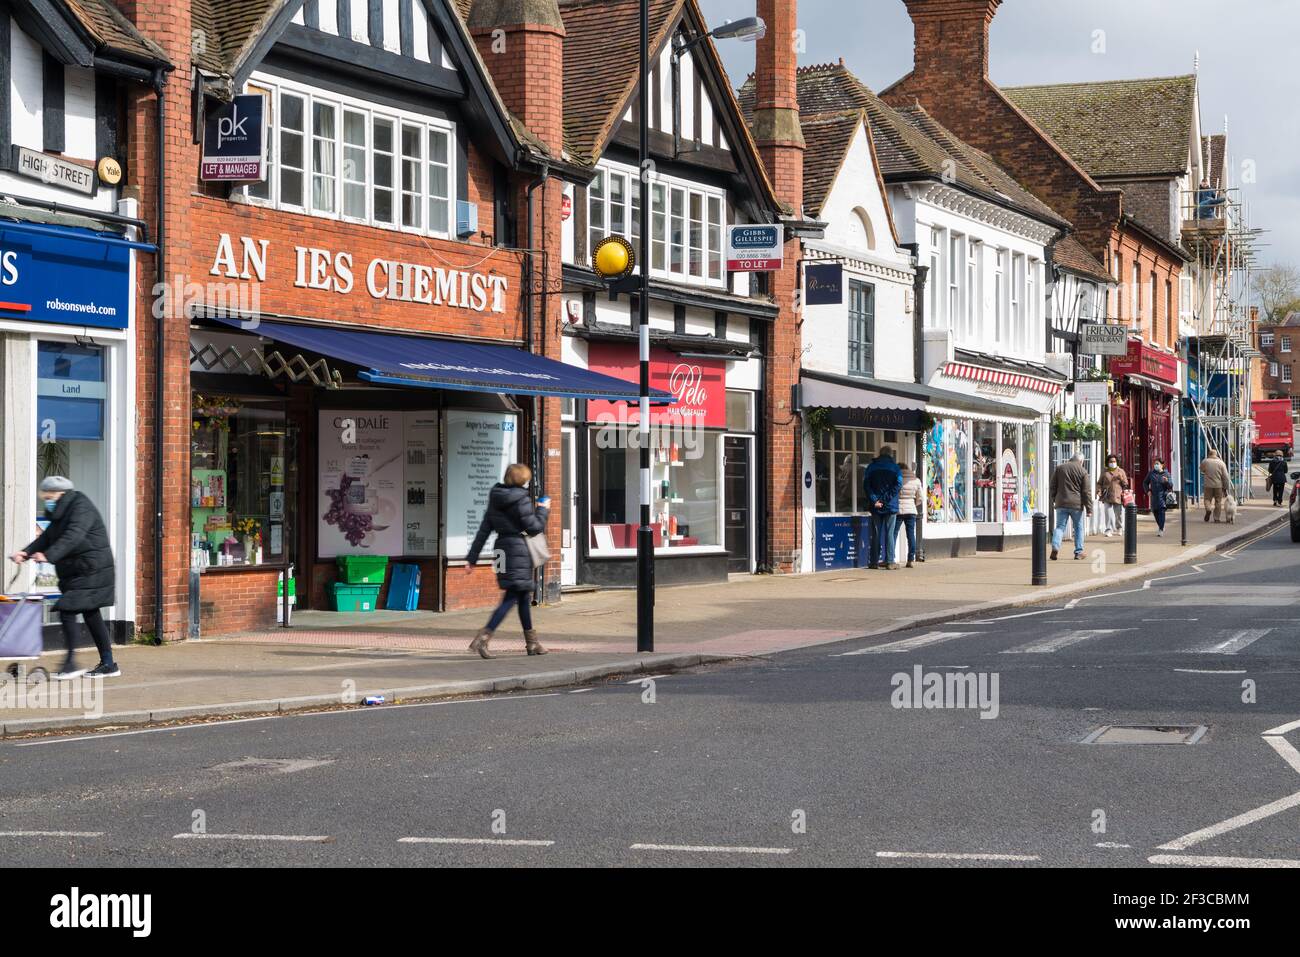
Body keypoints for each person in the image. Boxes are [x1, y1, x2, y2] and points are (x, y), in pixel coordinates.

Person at [9, 477, 118, 679]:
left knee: (67, 610)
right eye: (44, 496)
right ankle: (109, 663)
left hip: (92, 569)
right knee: (91, 613)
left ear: (61, 493)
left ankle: (71, 665)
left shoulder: (80, 507)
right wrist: (25, 553)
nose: (46, 500)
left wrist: (49, 555)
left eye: (48, 496)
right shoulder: (62, 511)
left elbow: (73, 536)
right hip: (81, 570)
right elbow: (47, 537)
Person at [464, 463, 550, 658]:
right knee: (512, 596)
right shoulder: (521, 499)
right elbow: (534, 527)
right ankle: (483, 638)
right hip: (518, 550)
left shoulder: (495, 498)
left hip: (502, 549)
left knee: (522, 597)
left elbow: (484, 530)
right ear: (522, 480)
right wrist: (543, 509)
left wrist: (472, 558)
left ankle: (532, 644)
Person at [863, 446, 902, 570]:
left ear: (880, 454)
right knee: (889, 533)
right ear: (891, 455)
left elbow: (866, 485)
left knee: (876, 534)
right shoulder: (895, 468)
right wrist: (885, 499)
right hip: (890, 506)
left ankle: (874, 562)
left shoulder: (871, 467)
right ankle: (890, 561)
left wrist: (875, 500)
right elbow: (898, 484)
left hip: (876, 506)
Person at [1049, 452, 1093, 560]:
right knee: (1078, 528)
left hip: (1061, 503)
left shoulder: (1060, 468)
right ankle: (1078, 552)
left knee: (1060, 527)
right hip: (1076, 505)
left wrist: (1054, 498)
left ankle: (1055, 547)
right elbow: (1086, 491)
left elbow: (1052, 485)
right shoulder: (1083, 471)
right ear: (1081, 461)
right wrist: (1089, 508)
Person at [896, 462, 925, 569]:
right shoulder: (916, 481)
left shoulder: (897, 478)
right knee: (910, 535)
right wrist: (913, 503)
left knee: (894, 533)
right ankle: (910, 559)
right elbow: (920, 498)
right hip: (911, 510)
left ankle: (891, 558)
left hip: (898, 509)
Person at [1097, 455, 1130, 537]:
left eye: (1114, 461)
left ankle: (1119, 528)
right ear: (1108, 462)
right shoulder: (1104, 472)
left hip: (1117, 495)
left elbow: (1126, 484)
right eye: (1111, 462)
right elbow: (1099, 483)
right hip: (1107, 495)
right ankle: (1108, 530)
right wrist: (1098, 491)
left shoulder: (1120, 471)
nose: (1112, 463)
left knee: (1118, 513)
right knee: (1107, 513)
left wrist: (1121, 478)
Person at [1199, 448, 1231, 522]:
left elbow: (1201, 469)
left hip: (1208, 485)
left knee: (1207, 499)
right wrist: (1225, 487)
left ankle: (1208, 509)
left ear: (1209, 454)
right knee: (1218, 501)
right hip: (1218, 485)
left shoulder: (1205, 461)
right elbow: (1225, 476)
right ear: (1216, 455)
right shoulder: (1221, 463)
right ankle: (1216, 518)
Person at [1144, 459, 1174, 537]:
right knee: (1155, 513)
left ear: (1162, 465)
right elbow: (1145, 482)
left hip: (1163, 496)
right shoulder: (1151, 473)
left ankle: (1160, 529)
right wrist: (1148, 490)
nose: (1155, 465)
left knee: (1162, 512)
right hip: (1154, 497)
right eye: (1155, 464)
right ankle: (1161, 526)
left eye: (1157, 464)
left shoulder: (1166, 474)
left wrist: (1167, 481)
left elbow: (1170, 486)